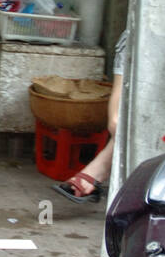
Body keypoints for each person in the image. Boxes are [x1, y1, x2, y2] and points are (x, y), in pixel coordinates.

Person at [54, 29, 127, 203]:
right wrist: (115, 120)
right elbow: (121, 85)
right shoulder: (133, 36)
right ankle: (97, 172)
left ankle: (96, 173)